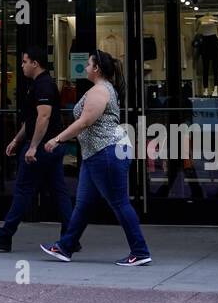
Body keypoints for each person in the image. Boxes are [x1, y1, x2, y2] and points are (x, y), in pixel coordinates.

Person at [38, 50, 152, 266]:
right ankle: (65, 246)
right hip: (96, 154)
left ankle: (140, 251)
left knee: (119, 203)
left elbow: (85, 122)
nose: (86, 67)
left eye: (89, 63)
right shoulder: (99, 89)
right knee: (83, 205)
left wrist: (57, 139)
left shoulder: (100, 91)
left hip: (108, 152)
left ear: (97, 68)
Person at [0, 47, 72, 252]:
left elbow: (43, 117)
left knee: (23, 189)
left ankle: (4, 236)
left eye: (24, 61)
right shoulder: (38, 84)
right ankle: (71, 237)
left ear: (35, 64)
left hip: (44, 147)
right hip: (50, 147)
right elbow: (31, 120)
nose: (21, 66)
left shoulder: (44, 85)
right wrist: (17, 140)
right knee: (59, 191)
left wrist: (32, 147)